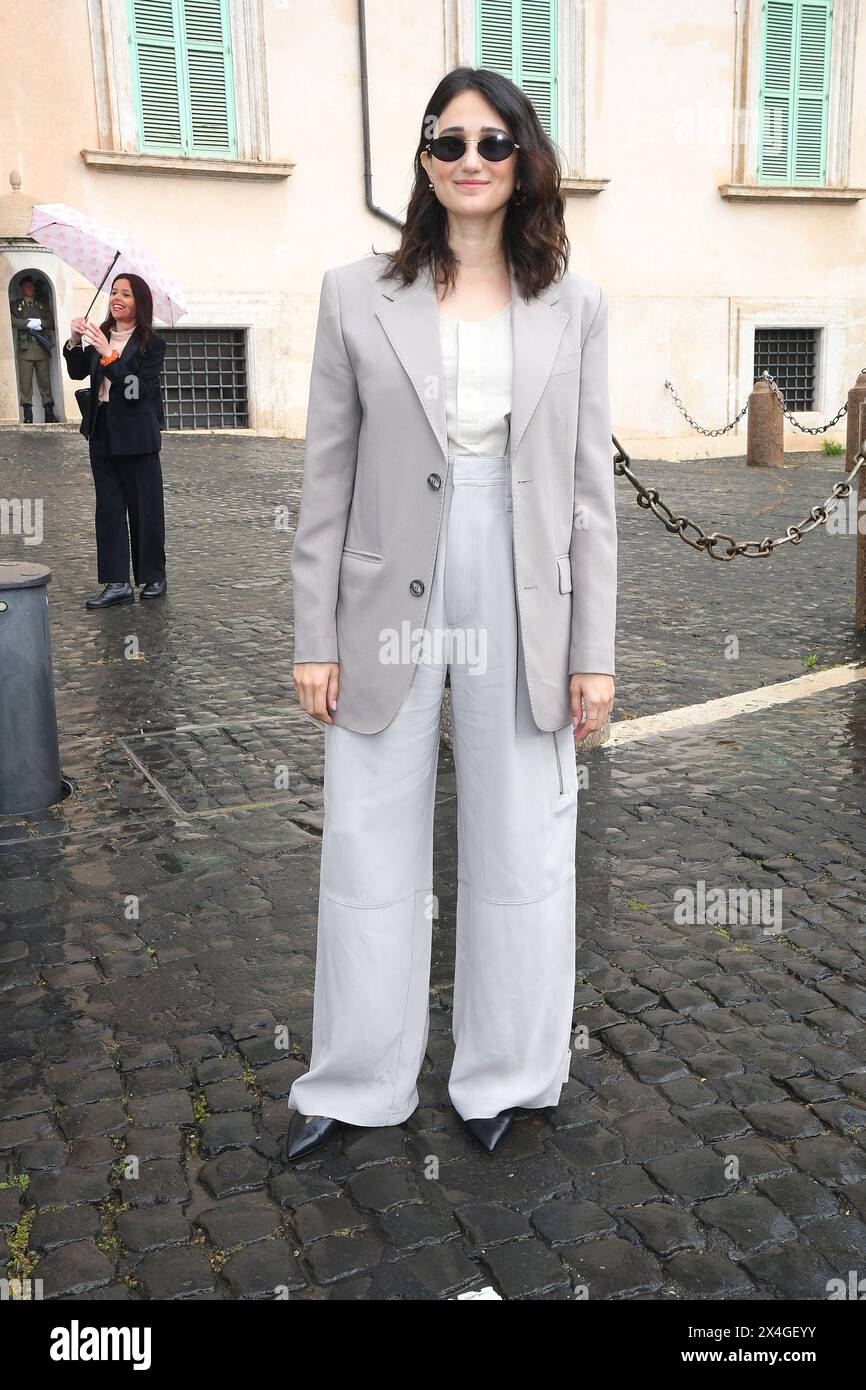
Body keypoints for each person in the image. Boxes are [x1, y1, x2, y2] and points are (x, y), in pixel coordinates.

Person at [286, 66, 617, 1158]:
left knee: (522, 834)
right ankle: (352, 1081)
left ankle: (509, 1075)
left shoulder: (573, 305)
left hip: (521, 582)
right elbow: (324, 480)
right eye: (446, 142)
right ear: (422, 161)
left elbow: (585, 496)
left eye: (490, 142)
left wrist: (592, 654)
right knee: (368, 833)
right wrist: (312, 635)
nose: (467, 160)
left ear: (522, 160)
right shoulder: (352, 292)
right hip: (388, 584)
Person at [63, 273, 168, 610]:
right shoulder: (101, 334)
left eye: (126, 293)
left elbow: (137, 390)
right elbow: (78, 372)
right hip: (102, 429)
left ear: (140, 302)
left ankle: (153, 576)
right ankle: (117, 583)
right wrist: (75, 340)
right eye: (114, 292)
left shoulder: (151, 343)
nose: (116, 298)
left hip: (138, 434)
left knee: (144, 507)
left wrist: (109, 355)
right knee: (109, 509)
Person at [12, 274, 56, 423]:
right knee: (25, 384)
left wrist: (39, 323)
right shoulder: (16, 305)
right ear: (22, 288)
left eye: (31, 286)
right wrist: (27, 323)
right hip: (25, 349)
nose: (29, 288)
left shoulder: (41, 306)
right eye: (26, 286)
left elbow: (51, 322)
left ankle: (49, 412)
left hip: (42, 349)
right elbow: (12, 320)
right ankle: (27, 415)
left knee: (45, 383)